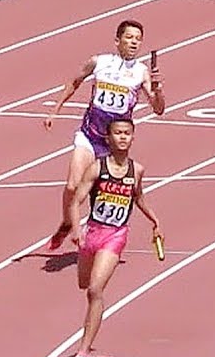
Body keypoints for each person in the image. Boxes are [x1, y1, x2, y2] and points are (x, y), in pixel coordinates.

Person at [44, 19, 164, 249]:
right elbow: (74, 82)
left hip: (114, 144)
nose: (134, 43)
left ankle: (100, 238)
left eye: (138, 40)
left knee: (100, 193)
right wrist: (55, 110)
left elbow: (158, 109)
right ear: (117, 40)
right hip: (89, 134)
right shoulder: (99, 62)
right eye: (129, 38)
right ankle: (67, 223)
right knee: (72, 186)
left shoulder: (141, 72)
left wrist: (158, 90)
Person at [65, 118, 162, 357]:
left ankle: (82, 354)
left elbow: (138, 197)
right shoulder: (97, 168)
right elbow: (76, 201)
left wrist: (154, 220)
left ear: (133, 138)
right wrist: (76, 230)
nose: (122, 137)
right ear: (108, 138)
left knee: (95, 290)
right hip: (92, 234)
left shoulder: (137, 170)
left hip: (115, 236)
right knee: (84, 284)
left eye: (127, 133)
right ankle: (84, 348)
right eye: (117, 133)